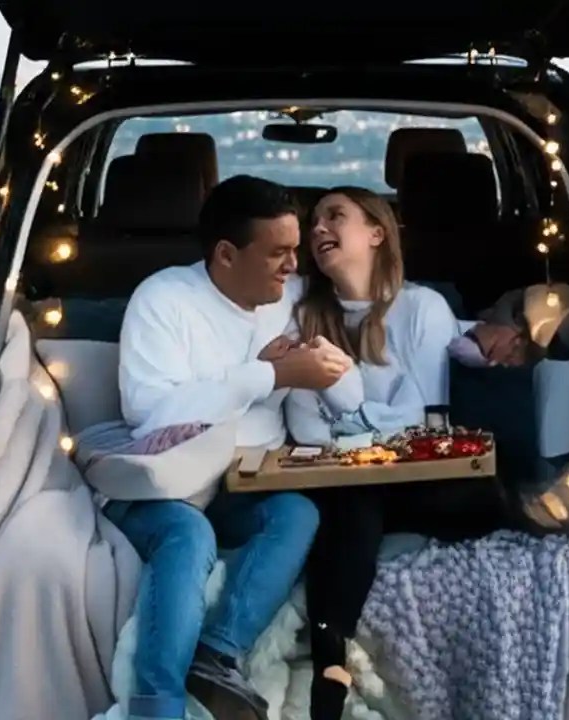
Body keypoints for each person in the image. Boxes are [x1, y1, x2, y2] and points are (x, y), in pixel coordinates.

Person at [111, 175, 352, 720]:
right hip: (167, 486)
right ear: (225, 254)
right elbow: (149, 416)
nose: (293, 265)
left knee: (296, 513)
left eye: (296, 250)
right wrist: (263, 375)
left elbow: (374, 300)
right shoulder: (163, 300)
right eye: (278, 253)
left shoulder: (287, 299)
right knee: (189, 534)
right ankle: (157, 706)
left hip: (247, 486)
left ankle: (219, 655)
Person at [283, 187, 515, 720]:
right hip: (347, 484)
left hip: (423, 479)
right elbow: (302, 423)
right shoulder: (302, 316)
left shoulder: (422, 308)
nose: (318, 228)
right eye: (312, 221)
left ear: (376, 233)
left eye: (334, 216)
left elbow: (426, 425)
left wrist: (349, 414)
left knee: (382, 500)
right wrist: (369, 426)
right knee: (354, 502)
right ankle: (330, 671)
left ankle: (328, 664)